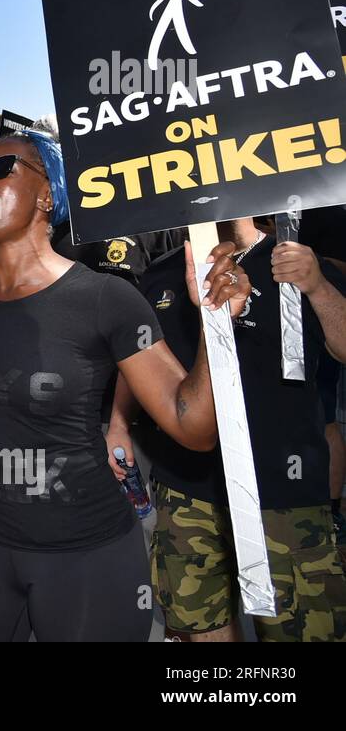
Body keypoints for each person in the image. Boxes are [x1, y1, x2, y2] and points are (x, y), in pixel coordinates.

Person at [0, 131, 251, 641]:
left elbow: (192, 426)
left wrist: (215, 326)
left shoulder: (105, 299)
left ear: (49, 194)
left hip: (84, 550)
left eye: (2, 169)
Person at [118, 218, 346, 641]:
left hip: (284, 493)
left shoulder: (295, 262)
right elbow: (139, 356)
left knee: (304, 630)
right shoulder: (163, 272)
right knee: (198, 626)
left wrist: (315, 285)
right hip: (187, 487)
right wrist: (116, 422)